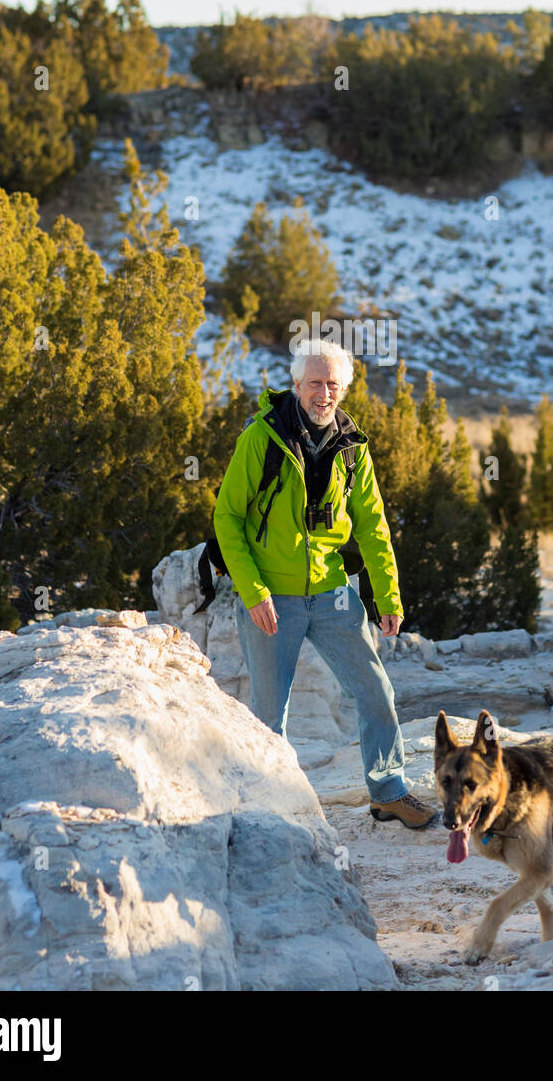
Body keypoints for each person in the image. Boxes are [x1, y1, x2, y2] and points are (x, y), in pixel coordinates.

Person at [214, 339, 438, 829]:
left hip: (334, 591)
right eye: (315, 382)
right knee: (270, 713)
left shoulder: (353, 449)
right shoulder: (261, 438)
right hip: (273, 595)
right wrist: (253, 592)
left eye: (333, 383)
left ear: (344, 389)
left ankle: (389, 792)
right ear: (296, 386)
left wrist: (388, 597)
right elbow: (227, 517)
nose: (324, 392)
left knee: (376, 690)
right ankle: (268, 804)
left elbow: (374, 526)